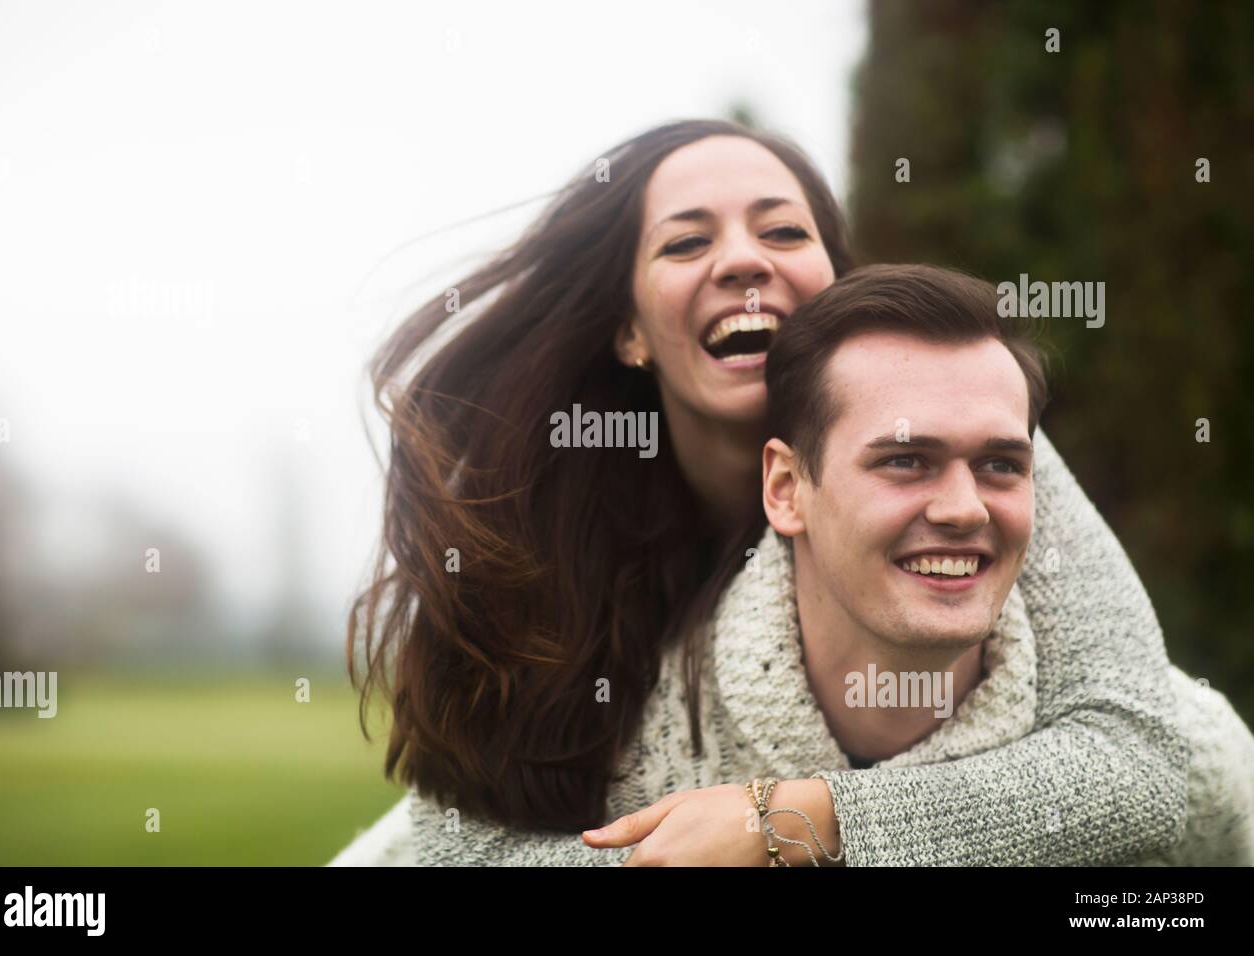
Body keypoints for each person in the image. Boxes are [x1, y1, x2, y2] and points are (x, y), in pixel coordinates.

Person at [331, 120, 1189, 866]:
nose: (743, 260)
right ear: (629, 330)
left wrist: (790, 823)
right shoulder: (536, 519)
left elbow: (1140, 759)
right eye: (685, 242)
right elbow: (463, 845)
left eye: (783, 232)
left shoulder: (967, 452)